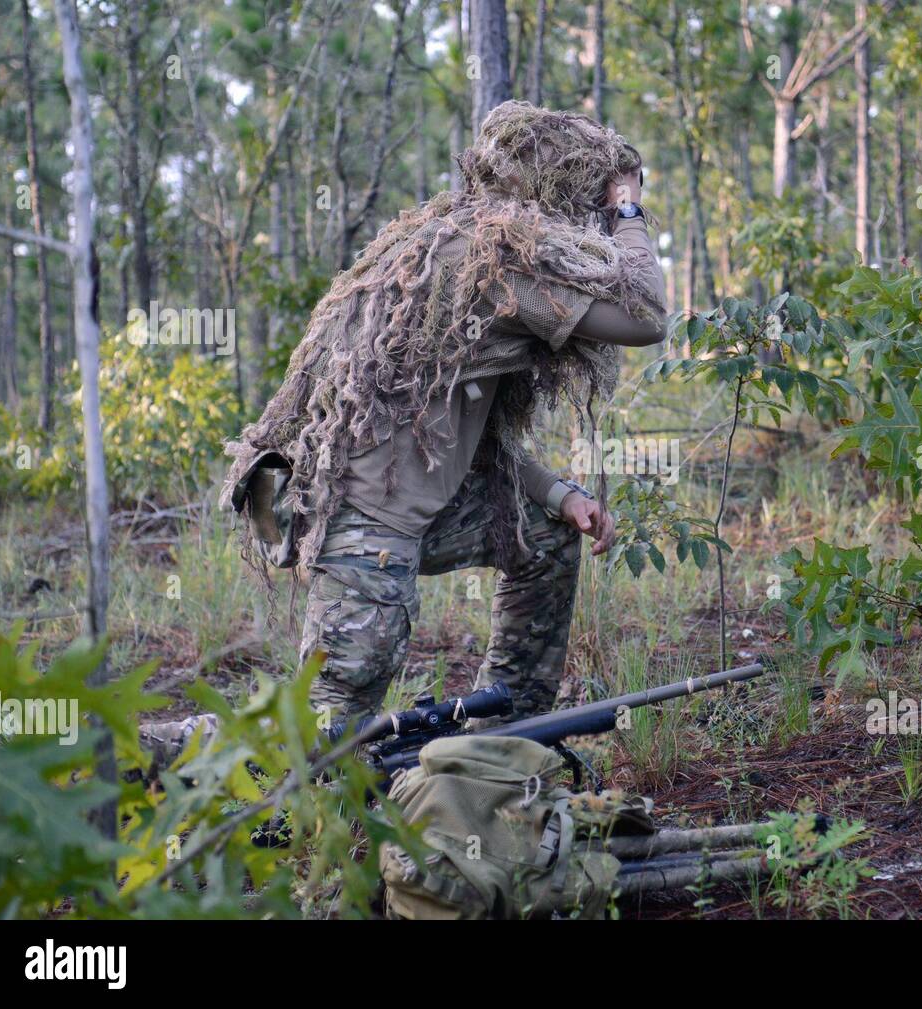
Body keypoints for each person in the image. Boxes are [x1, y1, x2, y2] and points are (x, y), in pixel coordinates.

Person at [141, 102, 666, 767]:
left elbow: (463, 435)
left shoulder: (451, 239)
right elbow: (643, 312)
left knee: (546, 534)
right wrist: (626, 209)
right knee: (324, 741)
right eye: (587, 199)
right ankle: (137, 755)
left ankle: (502, 750)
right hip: (364, 530)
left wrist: (559, 493)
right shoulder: (504, 255)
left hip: (407, 508)